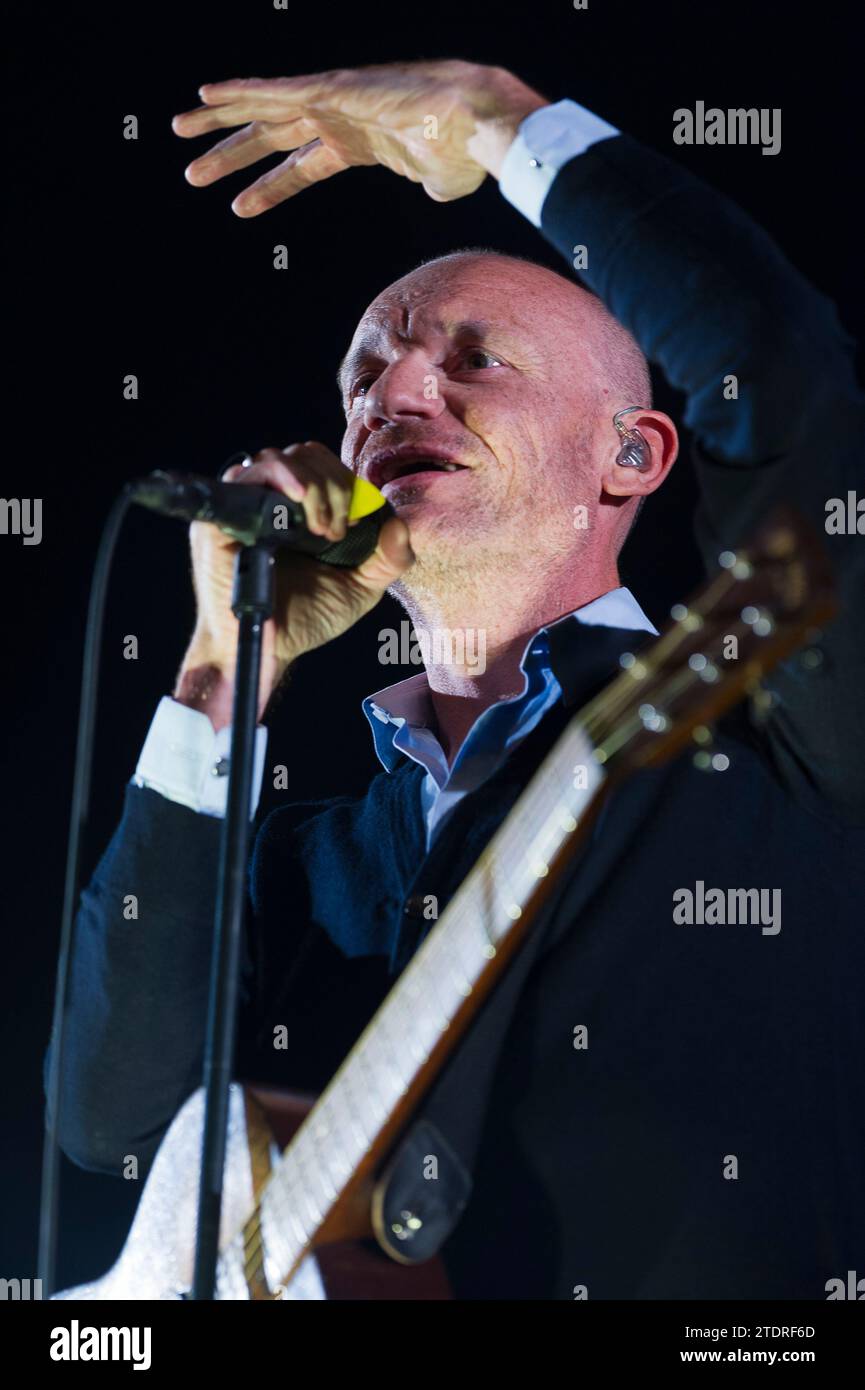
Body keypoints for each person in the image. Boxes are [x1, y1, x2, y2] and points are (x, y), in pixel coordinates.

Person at [47, 60, 865, 1299]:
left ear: (634, 455)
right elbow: (108, 1120)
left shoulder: (769, 731)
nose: (393, 392)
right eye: (366, 370)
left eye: (475, 360)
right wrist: (226, 662)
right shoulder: (292, 862)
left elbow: (790, 383)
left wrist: (504, 126)